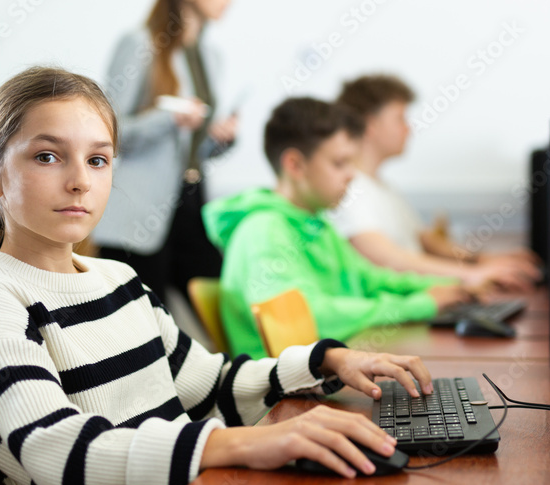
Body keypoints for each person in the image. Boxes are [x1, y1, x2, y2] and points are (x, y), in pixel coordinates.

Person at [0, 67, 433, 485]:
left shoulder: (116, 278)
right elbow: (59, 457)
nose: (78, 182)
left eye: (98, 160)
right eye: (48, 157)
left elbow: (211, 387)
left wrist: (327, 362)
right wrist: (244, 444)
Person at [201, 97, 473, 359]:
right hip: (289, 400)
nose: (351, 174)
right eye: (339, 163)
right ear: (295, 165)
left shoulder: (316, 224)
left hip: (330, 372)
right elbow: (310, 318)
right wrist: (419, 305)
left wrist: (456, 286)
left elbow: (372, 279)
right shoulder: (262, 232)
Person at [93, 0, 239, 306]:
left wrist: (218, 138)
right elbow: (107, 135)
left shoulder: (211, 56)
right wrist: (167, 118)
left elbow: (191, 149)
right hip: (140, 215)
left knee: (220, 306)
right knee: (142, 333)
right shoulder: (140, 43)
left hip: (191, 201)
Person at [331, 74, 542, 291]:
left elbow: (425, 240)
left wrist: (481, 260)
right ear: (370, 124)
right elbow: (388, 260)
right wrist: (471, 275)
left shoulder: (383, 187)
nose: (408, 129)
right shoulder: (349, 189)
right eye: (400, 119)